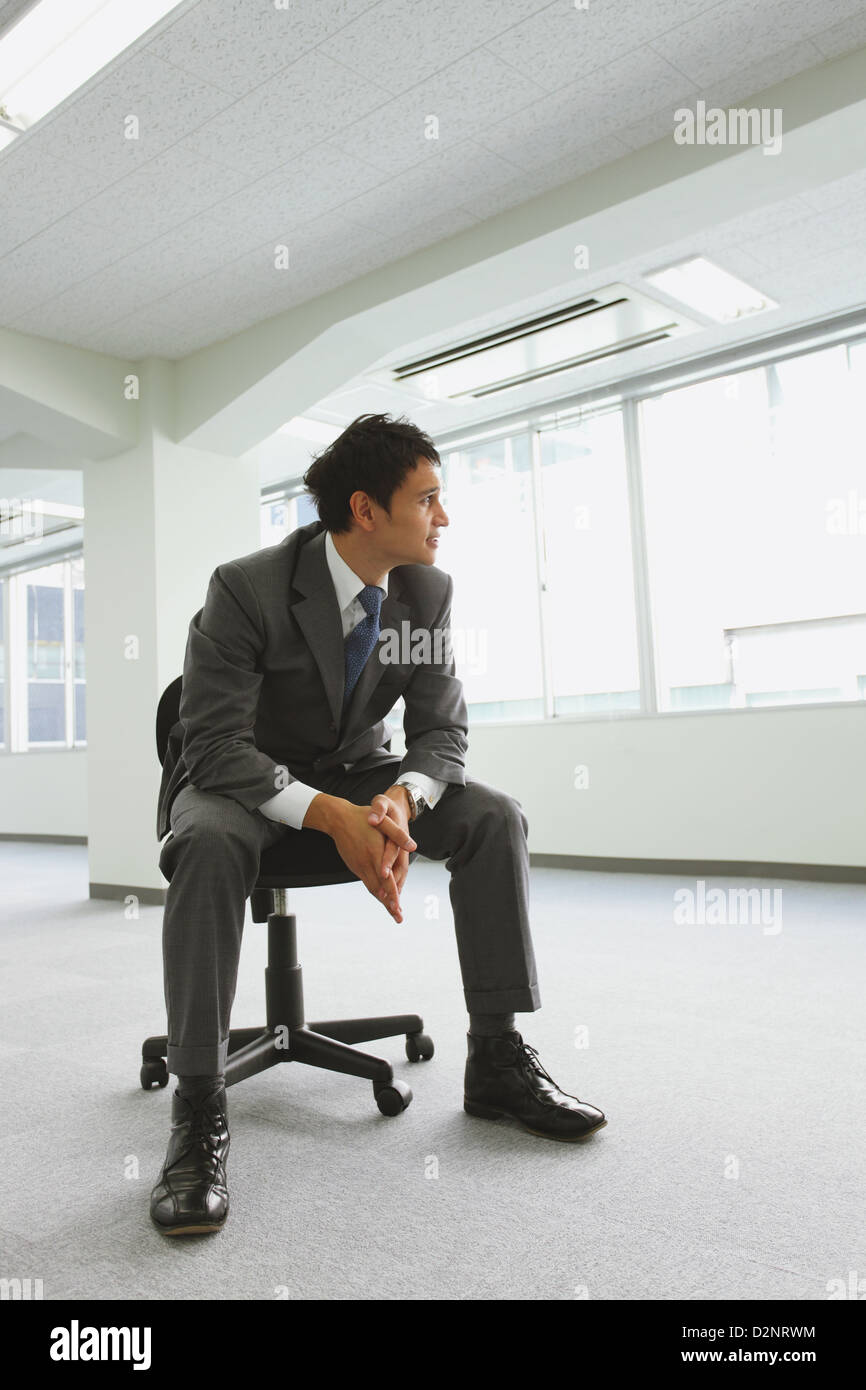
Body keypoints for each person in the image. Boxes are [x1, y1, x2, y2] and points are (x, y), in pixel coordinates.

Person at [150, 412, 606, 1235]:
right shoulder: (245, 589)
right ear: (365, 510)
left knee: (494, 816)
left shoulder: (425, 594)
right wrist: (332, 818)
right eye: (428, 499)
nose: (444, 518)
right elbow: (211, 744)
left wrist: (398, 802)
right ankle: (197, 1106)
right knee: (210, 842)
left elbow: (442, 733)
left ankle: (497, 1058)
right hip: (243, 784)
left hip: (360, 779)